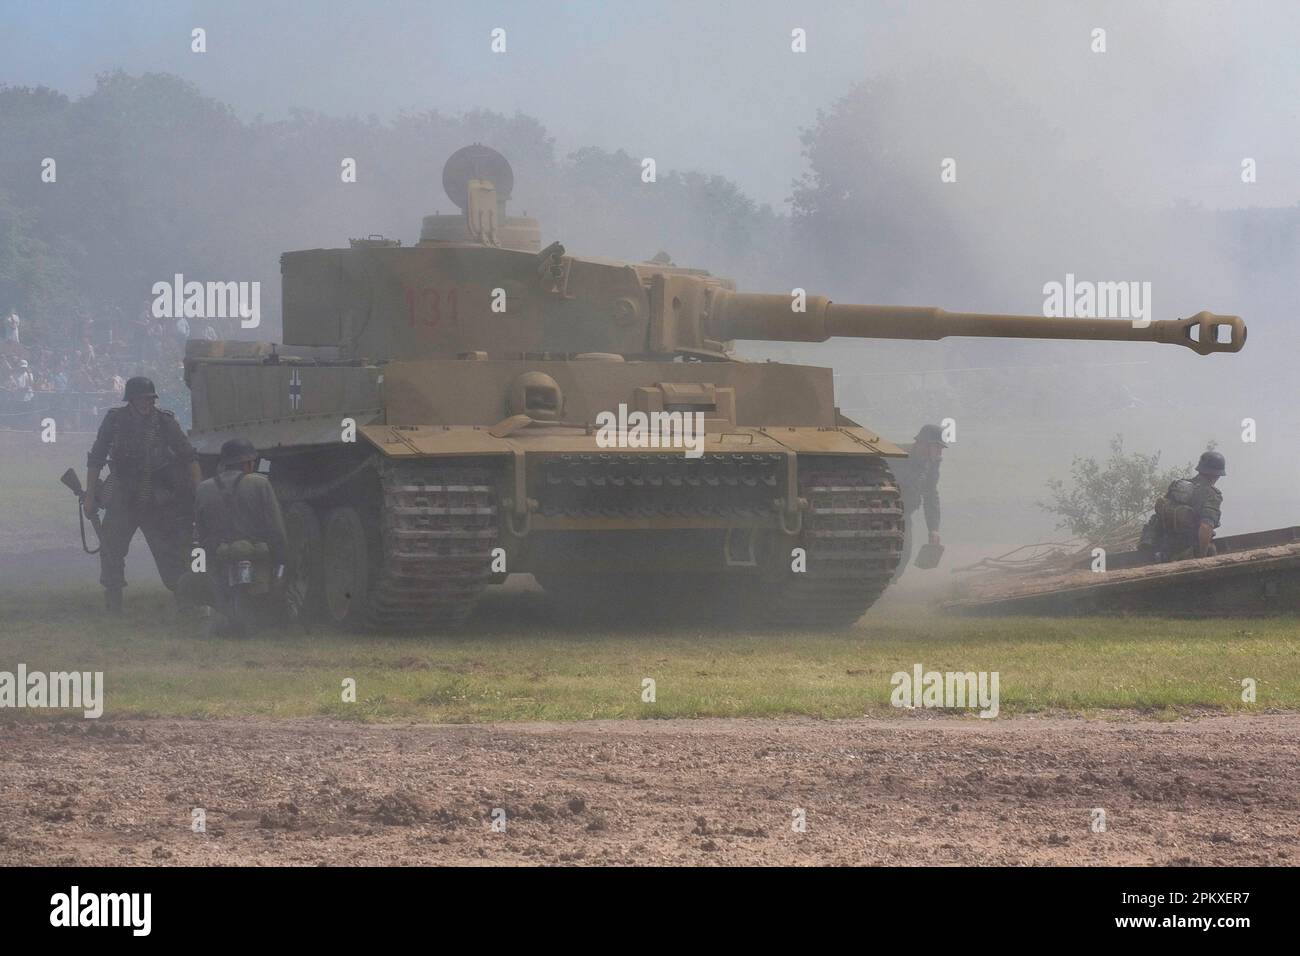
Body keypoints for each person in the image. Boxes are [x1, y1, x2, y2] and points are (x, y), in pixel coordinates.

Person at [84, 376, 200, 612]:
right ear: (131, 400)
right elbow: (96, 458)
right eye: (142, 399)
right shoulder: (114, 421)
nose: (148, 403)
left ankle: (184, 598)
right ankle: (113, 598)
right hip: (121, 495)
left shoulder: (164, 422)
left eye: (150, 398)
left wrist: (199, 494)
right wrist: (89, 497)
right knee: (111, 549)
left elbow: (189, 457)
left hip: (156, 497)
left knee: (170, 551)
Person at [194, 438, 288, 635]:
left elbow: (201, 532)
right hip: (254, 554)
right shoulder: (260, 483)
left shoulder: (204, 488)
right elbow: (276, 527)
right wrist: (281, 560)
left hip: (220, 555)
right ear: (247, 463)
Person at [1142, 451, 1225, 562]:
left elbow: (1160, 515)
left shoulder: (1178, 485)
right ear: (1217, 475)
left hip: (1162, 549)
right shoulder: (1212, 495)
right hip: (1184, 553)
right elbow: (1206, 528)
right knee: (1211, 550)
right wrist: (1202, 558)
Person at [891, 423, 946, 580]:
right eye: (937, 447)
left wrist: (933, 529)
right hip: (877, 511)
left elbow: (930, 495)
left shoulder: (932, 463)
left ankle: (886, 588)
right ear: (923, 444)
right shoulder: (894, 455)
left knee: (903, 554)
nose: (940, 452)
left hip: (903, 513)